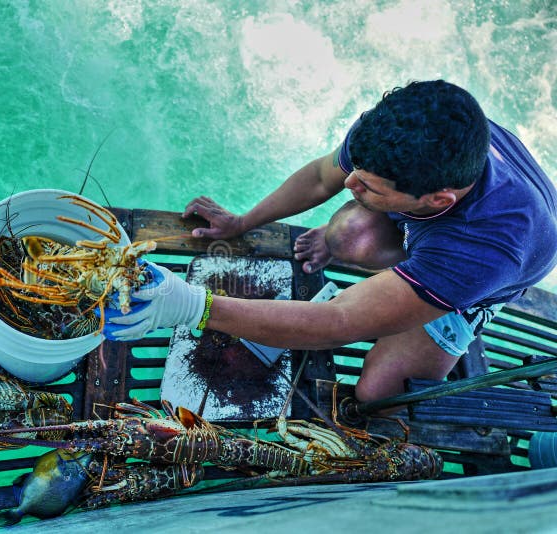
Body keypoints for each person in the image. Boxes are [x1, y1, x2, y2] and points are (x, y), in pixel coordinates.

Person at [102, 80, 557, 406]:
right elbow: (324, 177)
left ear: (437, 199)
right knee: (347, 234)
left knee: (377, 393)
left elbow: (339, 321)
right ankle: (407, 279)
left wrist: (190, 305)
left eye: (368, 187)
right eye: (355, 171)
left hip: (483, 270)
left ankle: (432, 296)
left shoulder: (484, 253)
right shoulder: (399, 132)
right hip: (437, 223)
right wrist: (242, 221)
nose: (350, 185)